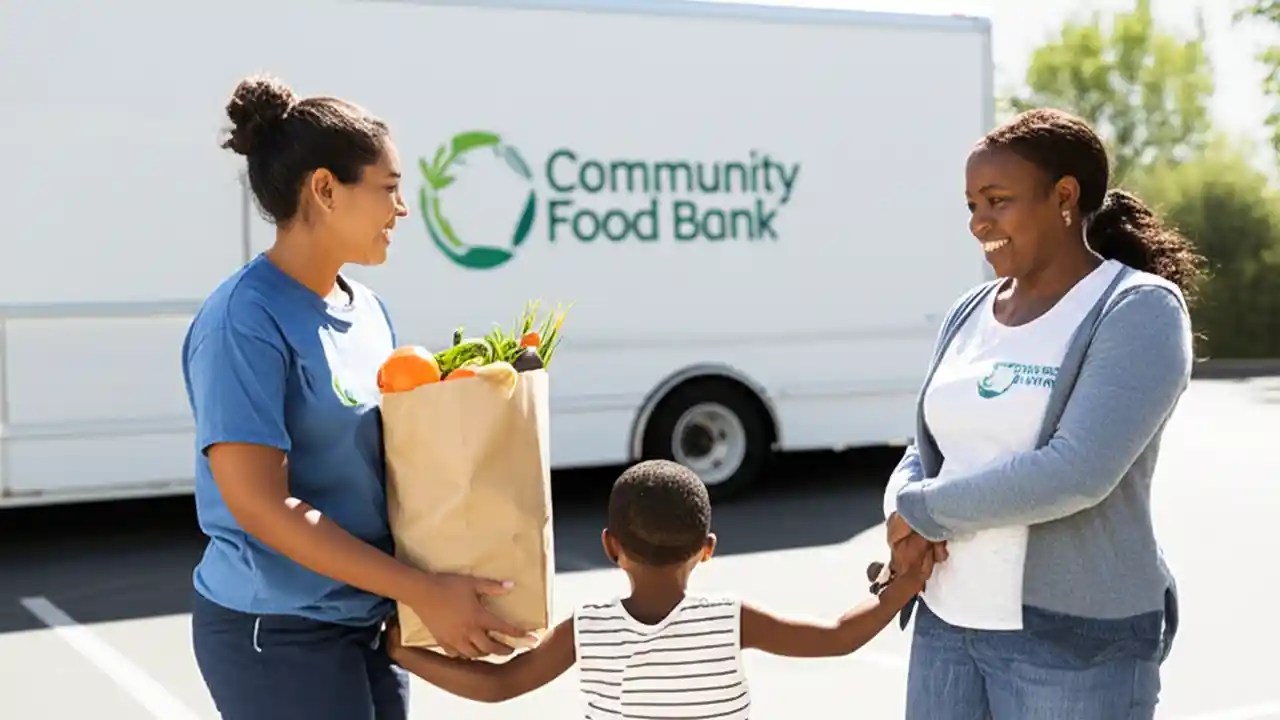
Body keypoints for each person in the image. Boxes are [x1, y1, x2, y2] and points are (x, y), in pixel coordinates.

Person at [183, 74, 533, 720]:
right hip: (276, 632)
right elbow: (262, 507)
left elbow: (399, 471)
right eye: (390, 189)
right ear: (324, 189)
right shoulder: (243, 320)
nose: (402, 210)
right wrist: (425, 590)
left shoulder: (371, 313)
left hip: (368, 618)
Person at [881, 107, 1206, 719]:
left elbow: (1077, 471)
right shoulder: (969, 310)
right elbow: (926, 448)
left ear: (1063, 196)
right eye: (972, 205)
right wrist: (900, 508)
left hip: (1073, 644)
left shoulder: (1138, 309)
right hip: (947, 624)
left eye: (997, 200)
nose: (980, 223)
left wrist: (922, 512)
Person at [383, 459, 927, 718]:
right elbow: (837, 637)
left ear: (610, 546)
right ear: (706, 548)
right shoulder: (727, 618)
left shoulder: (589, 625)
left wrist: (403, 652)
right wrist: (904, 584)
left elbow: (500, 686)